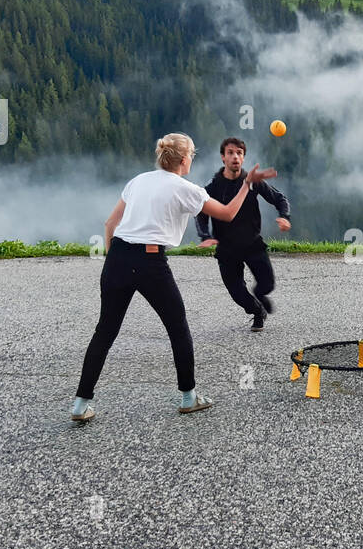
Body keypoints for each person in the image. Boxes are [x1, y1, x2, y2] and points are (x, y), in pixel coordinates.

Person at [70, 134, 276, 422]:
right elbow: (228, 214)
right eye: (191, 155)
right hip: (150, 261)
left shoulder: (138, 180)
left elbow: (110, 223)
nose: (191, 159)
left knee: (104, 333)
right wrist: (245, 184)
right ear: (183, 160)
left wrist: (112, 260)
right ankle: (189, 397)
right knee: (178, 329)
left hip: (117, 256)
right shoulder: (186, 188)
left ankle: (80, 405)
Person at [195, 137, 291, 333]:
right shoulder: (213, 186)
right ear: (223, 157)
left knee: (267, 285)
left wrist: (284, 216)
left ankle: (259, 295)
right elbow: (201, 213)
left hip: (253, 244)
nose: (235, 157)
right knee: (238, 294)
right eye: (230, 153)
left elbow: (279, 198)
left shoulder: (253, 182)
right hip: (227, 249)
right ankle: (257, 311)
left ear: (244, 158)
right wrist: (204, 236)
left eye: (239, 153)